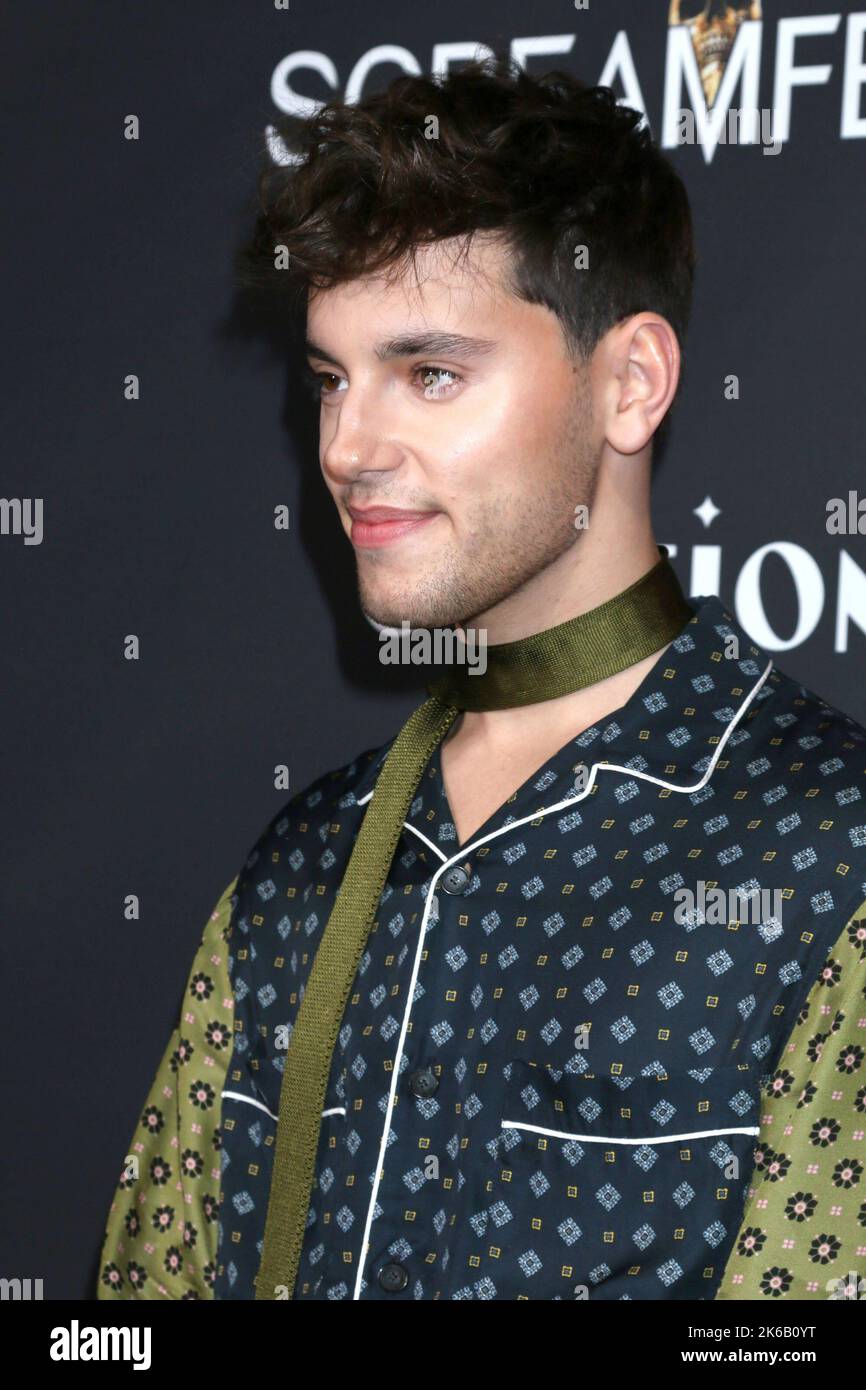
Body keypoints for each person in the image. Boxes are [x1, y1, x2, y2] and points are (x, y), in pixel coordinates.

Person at [96, 51, 866, 1302]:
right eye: (333, 379)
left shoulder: (829, 860)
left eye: (430, 373)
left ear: (629, 383)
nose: (347, 447)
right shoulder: (300, 871)